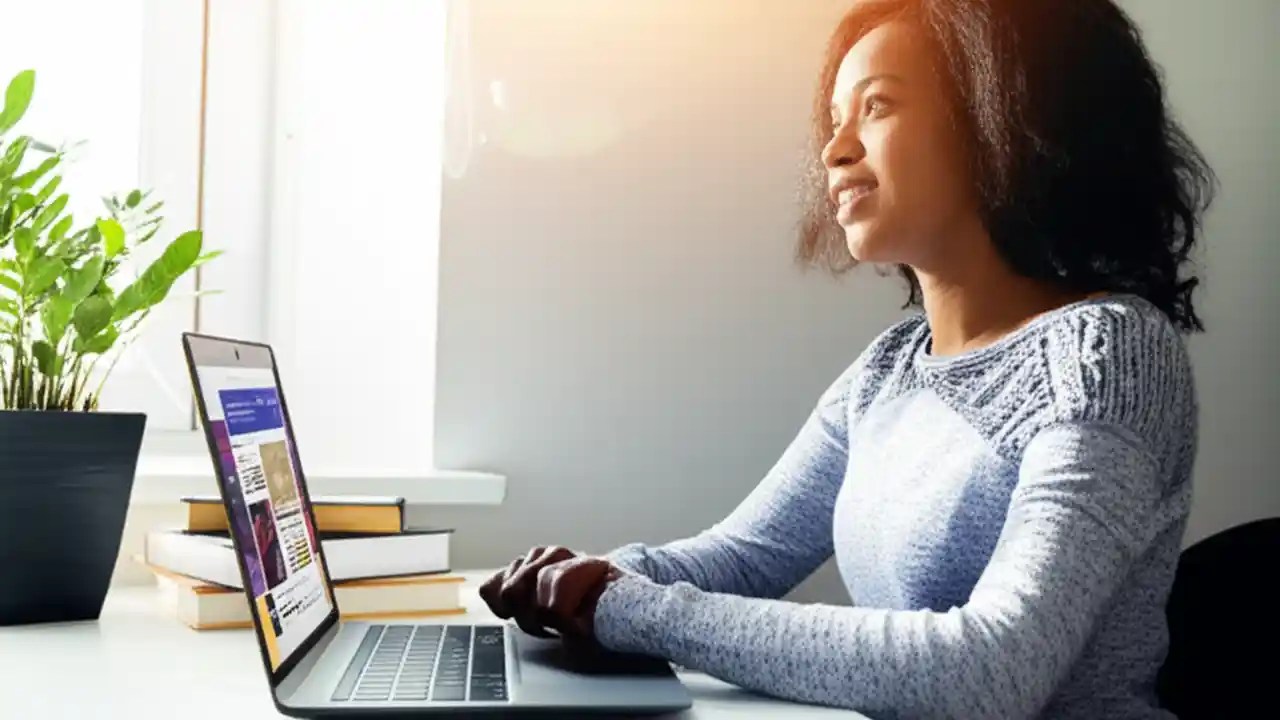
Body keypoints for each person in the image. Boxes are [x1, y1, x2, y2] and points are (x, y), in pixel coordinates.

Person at [479, 0, 1216, 717]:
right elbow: (739, 557)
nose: (834, 151)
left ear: (1004, 117)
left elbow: (991, 672)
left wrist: (627, 608)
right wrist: (586, 581)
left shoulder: (1108, 351)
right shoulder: (886, 371)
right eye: (835, 123)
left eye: (879, 106)